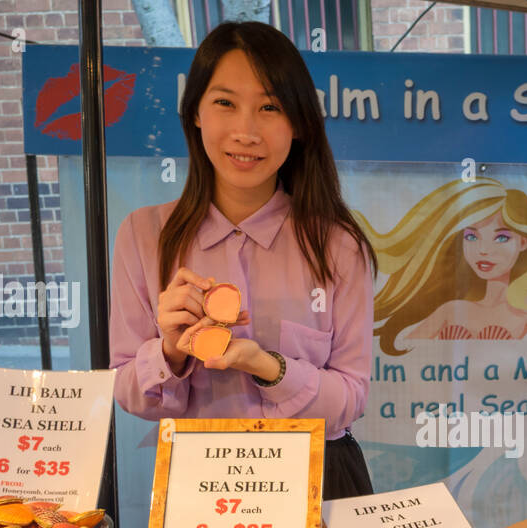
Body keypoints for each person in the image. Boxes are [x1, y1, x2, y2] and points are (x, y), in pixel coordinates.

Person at [110, 21, 377, 500]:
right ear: (195, 113)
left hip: (319, 482)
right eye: (225, 103)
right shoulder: (142, 236)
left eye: (270, 107)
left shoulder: (338, 246)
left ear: (297, 124)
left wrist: (269, 366)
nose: (246, 131)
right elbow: (129, 391)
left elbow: (351, 398)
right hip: (201, 492)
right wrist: (170, 350)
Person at [362, 179, 527, 355]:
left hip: (502, 427)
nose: (483, 249)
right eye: (471, 236)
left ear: (524, 241)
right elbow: (400, 365)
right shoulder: (450, 311)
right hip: (441, 426)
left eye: (502, 237)